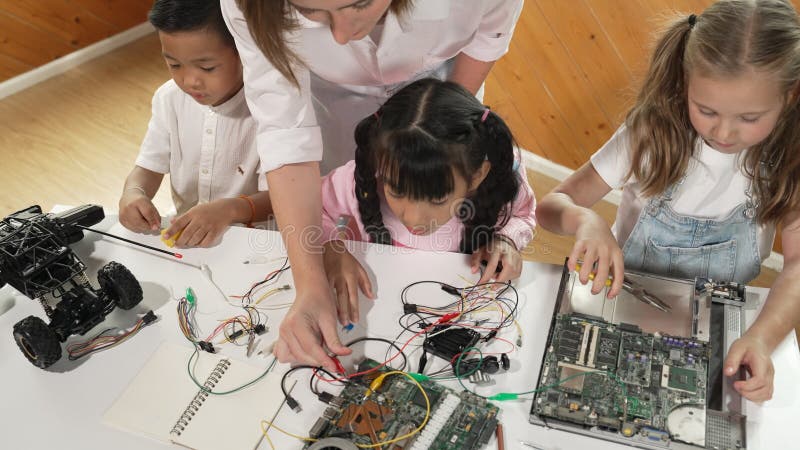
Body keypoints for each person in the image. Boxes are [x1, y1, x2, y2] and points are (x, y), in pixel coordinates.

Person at [220, 0, 524, 371]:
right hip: (346, 120)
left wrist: (433, 148)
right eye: (311, 14)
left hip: (443, 124)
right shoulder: (350, 183)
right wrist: (311, 282)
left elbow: (484, 44)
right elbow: (287, 137)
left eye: (360, 4)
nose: (343, 36)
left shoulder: (481, 177)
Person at [536, 0, 800, 402]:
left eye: (750, 118)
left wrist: (762, 340)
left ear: (790, 96)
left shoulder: (788, 156)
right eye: (706, 110)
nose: (725, 132)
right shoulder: (650, 133)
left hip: (720, 328)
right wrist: (587, 222)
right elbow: (551, 205)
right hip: (625, 309)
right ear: (685, 81)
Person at [319, 78, 536, 325]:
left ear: (477, 176)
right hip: (374, 317)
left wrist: (507, 238)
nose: (414, 218)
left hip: (457, 320)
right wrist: (332, 246)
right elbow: (316, 207)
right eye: (397, 191)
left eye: (437, 198)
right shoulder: (360, 181)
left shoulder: (500, 185)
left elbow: (523, 215)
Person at [119, 0, 271, 248]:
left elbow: (285, 198)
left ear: (244, 50)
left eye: (207, 68)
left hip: (253, 241)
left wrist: (230, 210)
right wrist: (134, 193)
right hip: (188, 238)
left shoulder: (269, 109)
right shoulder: (169, 98)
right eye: (174, 65)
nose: (189, 81)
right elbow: (148, 167)